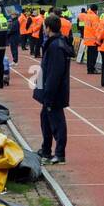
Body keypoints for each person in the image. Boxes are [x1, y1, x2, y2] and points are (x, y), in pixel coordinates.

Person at [34, 13, 70, 164]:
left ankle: (59, 154)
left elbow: (54, 73)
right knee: (45, 120)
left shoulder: (56, 47)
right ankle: (46, 150)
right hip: (50, 90)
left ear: (48, 28)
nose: (43, 30)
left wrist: (48, 94)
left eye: (44, 27)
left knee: (57, 122)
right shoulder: (54, 43)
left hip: (54, 93)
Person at [83, 3, 100, 74]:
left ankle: (89, 69)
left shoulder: (87, 15)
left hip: (87, 38)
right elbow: (96, 29)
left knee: (89, 55)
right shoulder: (95, 17)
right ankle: (92, 69)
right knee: (93, 55)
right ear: (95, 10)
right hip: (93, 39)